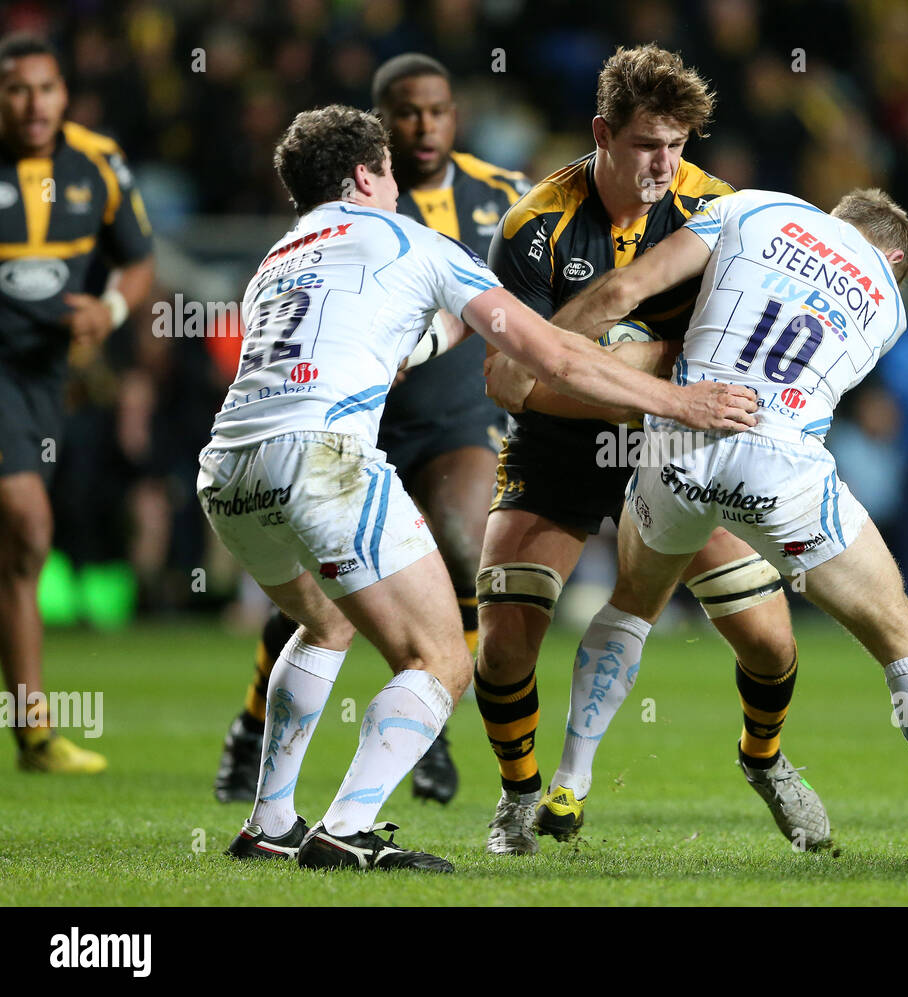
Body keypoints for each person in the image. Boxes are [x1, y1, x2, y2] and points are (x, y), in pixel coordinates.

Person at [203, 104, 754, 872]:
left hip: (227, 468)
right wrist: (682, 402)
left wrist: (418, 342)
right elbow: (553, 357)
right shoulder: (413, 240)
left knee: (324, 622)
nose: (398, 184)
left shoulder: (277, 257)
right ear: (366, 174)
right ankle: (347, 828)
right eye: (390, 170)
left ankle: (269, 822)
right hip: (320, 458)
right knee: (441, 658)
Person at [505, 185, 908, 864]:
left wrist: (537, 348)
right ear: (892, 256)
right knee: (899, 626)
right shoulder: (889, 305)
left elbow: (626, 286)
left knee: (633, 599)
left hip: (680, 438)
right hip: (778, 463)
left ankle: (570, 782)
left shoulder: (754, 206)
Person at [476, 44, 829, 855]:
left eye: (678, 145)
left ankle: (766, 759)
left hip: (678, 448)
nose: (665, 164)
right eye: (645, 144)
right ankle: (521, 796)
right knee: (503, 639)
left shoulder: (719, 210)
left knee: (773, 640)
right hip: (559, 445)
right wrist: (640, 380)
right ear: (602, 132)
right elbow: (509, 383)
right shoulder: (536, 228)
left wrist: (638, 380)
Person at [212, 53, 529, 806]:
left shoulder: (507, 197)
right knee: (322, 599)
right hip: (355, 420)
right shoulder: (359, 214)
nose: (424, 125)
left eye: (439, 109)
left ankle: (431, 728)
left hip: (454, 415)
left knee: (459, 543)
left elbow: (519, 298)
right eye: (406, 113)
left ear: (457, 114)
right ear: (375, 140)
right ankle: (255, 726)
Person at [0, 34, 153, 773]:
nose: (33, 104)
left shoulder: (96, 163)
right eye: (16, 89)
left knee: (22, 548)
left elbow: (139, 260)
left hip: (38, 379)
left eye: (45, 88)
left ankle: (32, 734)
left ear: (64, 93)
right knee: (28, 521)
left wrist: (111, 314)